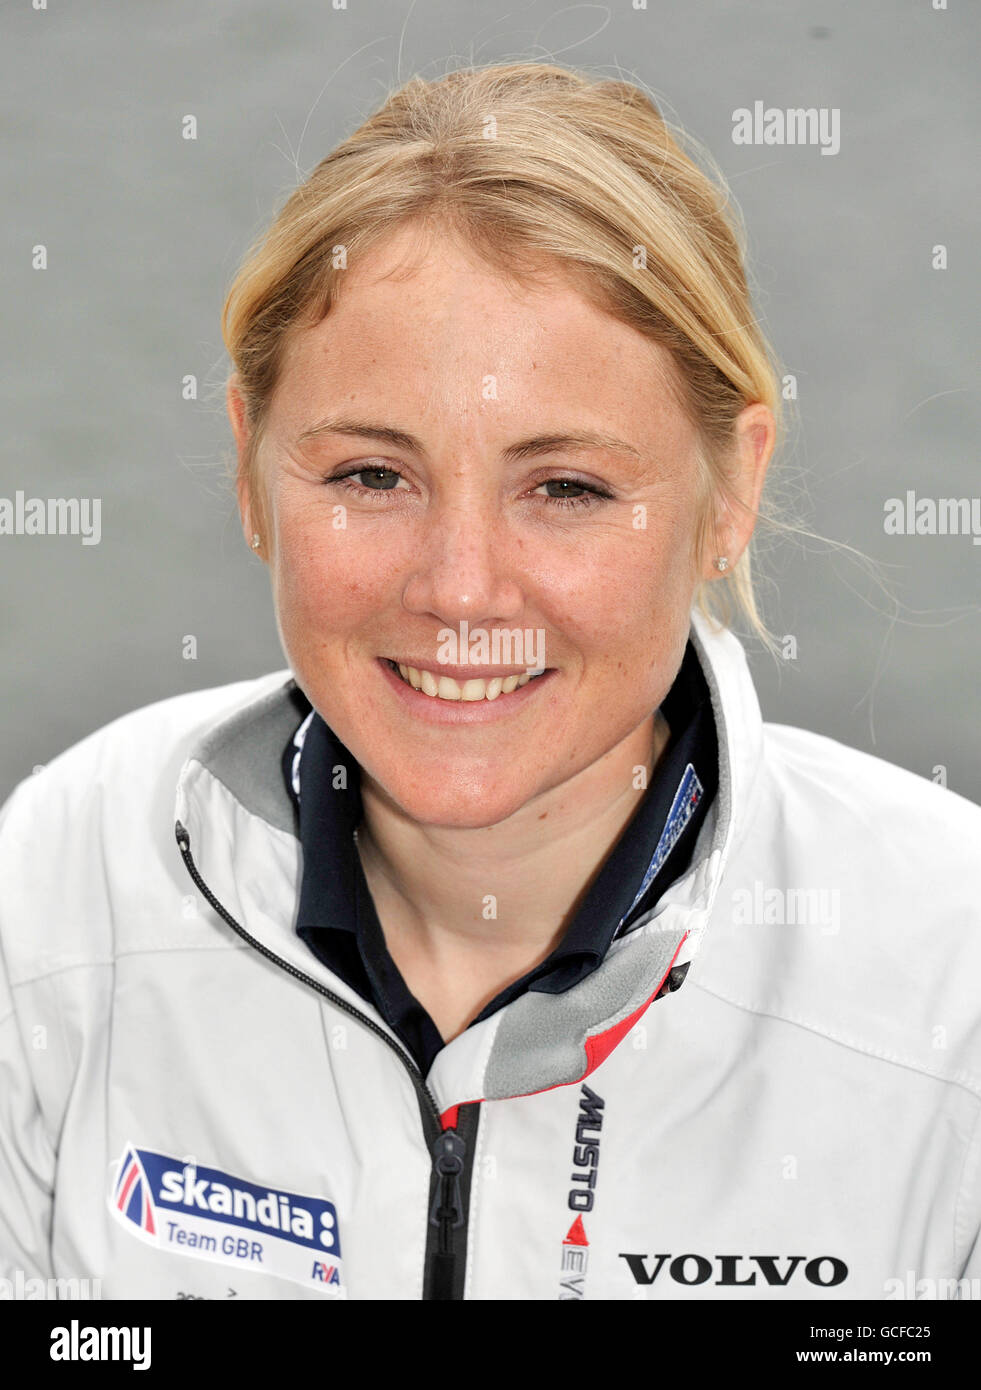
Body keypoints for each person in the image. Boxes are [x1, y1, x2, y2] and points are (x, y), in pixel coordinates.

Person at [1, 61, 979, 1304]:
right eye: (370, 476)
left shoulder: (957, 981)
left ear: (730, 486)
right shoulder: (58, 882)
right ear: (248, 465)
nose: (461, 590)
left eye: (565, 488)